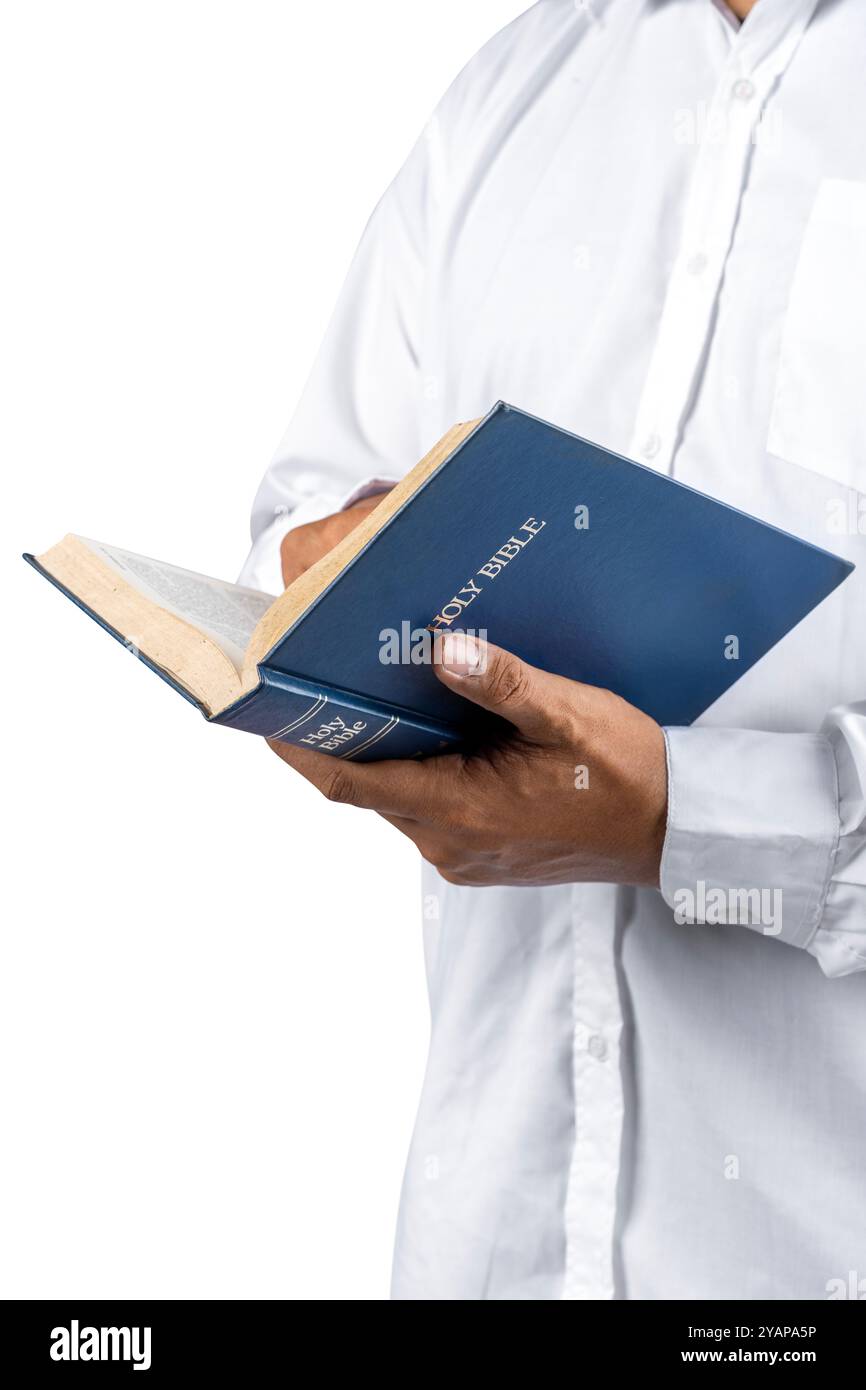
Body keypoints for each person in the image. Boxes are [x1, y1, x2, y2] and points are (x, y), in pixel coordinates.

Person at [239, 0, 866, 1300]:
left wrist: (697, 823)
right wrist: (340, 574)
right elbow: (300, 521)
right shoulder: (508, 95)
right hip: (480, 1253)